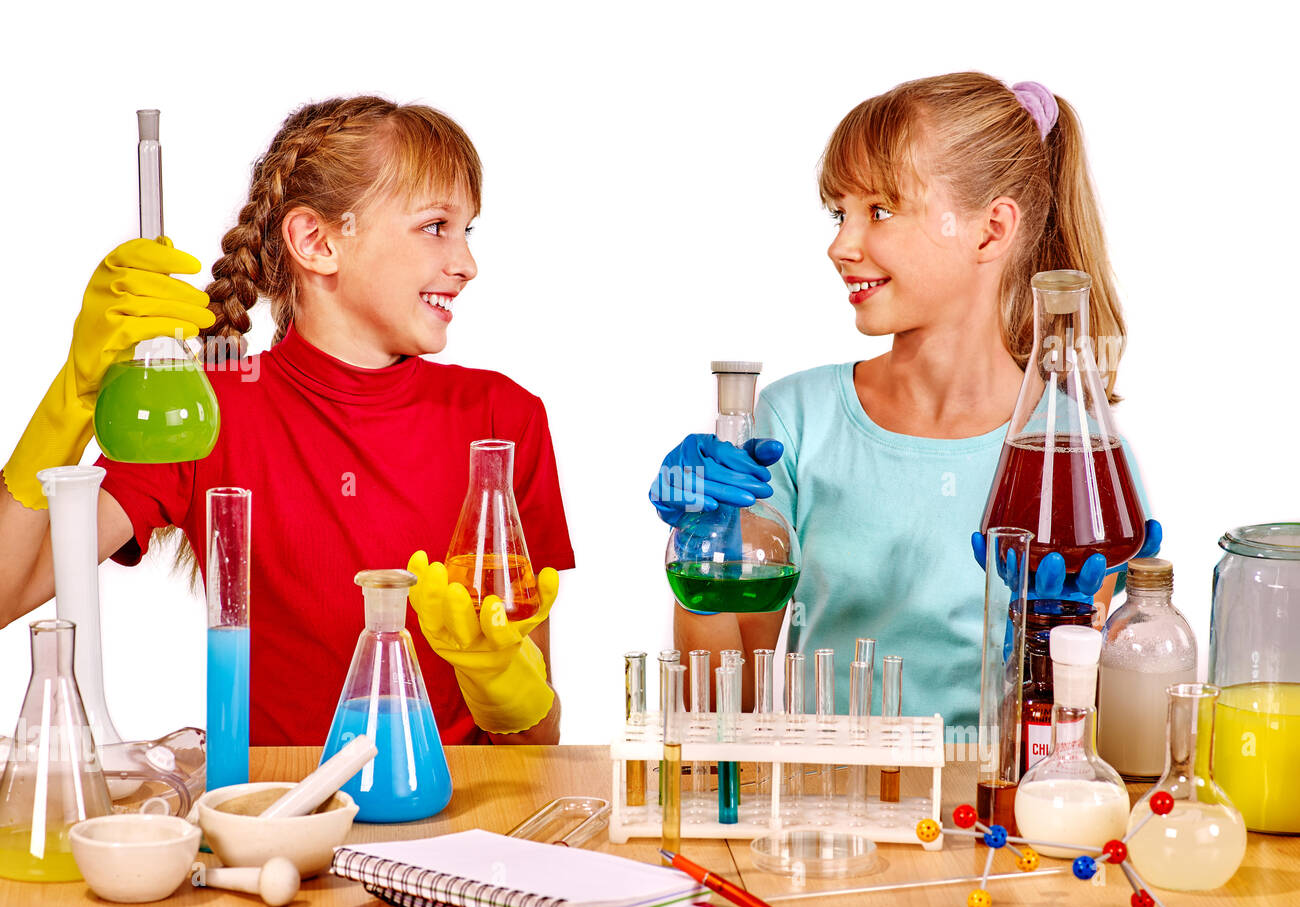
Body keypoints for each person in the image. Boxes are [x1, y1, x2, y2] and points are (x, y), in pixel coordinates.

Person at [1, 96, 574, 746]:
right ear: (318, 241)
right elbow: (6, 589)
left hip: (454, 819)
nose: (467, 265)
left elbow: (538, 744)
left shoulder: (502, 420)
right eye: (436, 226)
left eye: (468, 231)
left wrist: (506, 684)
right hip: (274, 818)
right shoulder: (203, 409)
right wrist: (71, 397)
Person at [651, 73, 1155, 729]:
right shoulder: (795, 425)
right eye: (840, 213)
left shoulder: (1072, 451)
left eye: (879, 211)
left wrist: (1048, 645)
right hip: (827, 812)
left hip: (991, 811)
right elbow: (725, 709)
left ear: (989, 230)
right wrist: (700, 567)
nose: (841, 244)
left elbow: (1082, 735)